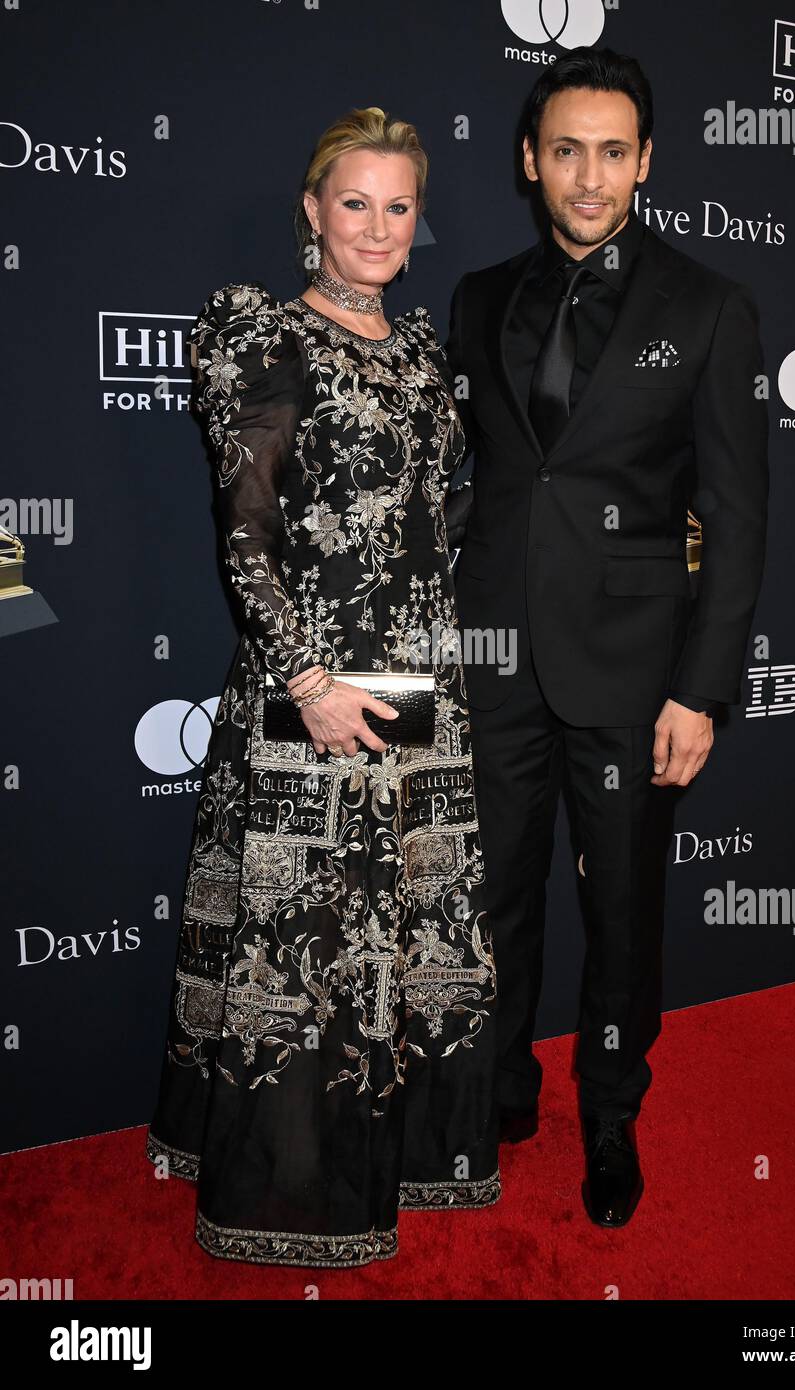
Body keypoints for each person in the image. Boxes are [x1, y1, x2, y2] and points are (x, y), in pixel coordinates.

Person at [147, 107, 499, 1268]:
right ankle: (289, 1193)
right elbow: (243, 532)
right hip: (312, 700)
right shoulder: (262, 334)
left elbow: (437, 531)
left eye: (400, 206)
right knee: (301, 955)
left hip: (416, 699)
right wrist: (306, 677)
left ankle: (392, 1162)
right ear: (313, 211)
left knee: (397, 942)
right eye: (356, 203)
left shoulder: (422, 356)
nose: (379, 226)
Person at [445, 49, 769, 1227]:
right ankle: (503, 1090)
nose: (591, 177)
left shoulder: (709, 305)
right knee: (498, 898)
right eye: (567, 150)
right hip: (493, 663)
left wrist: (704, 691)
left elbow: (736, 519)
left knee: (625, 911)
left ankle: (613, 1112)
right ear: (532, 162)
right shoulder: (478, 296)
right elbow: (482, 483)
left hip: (636, 673)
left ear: (648, 161)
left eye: (614, 151)